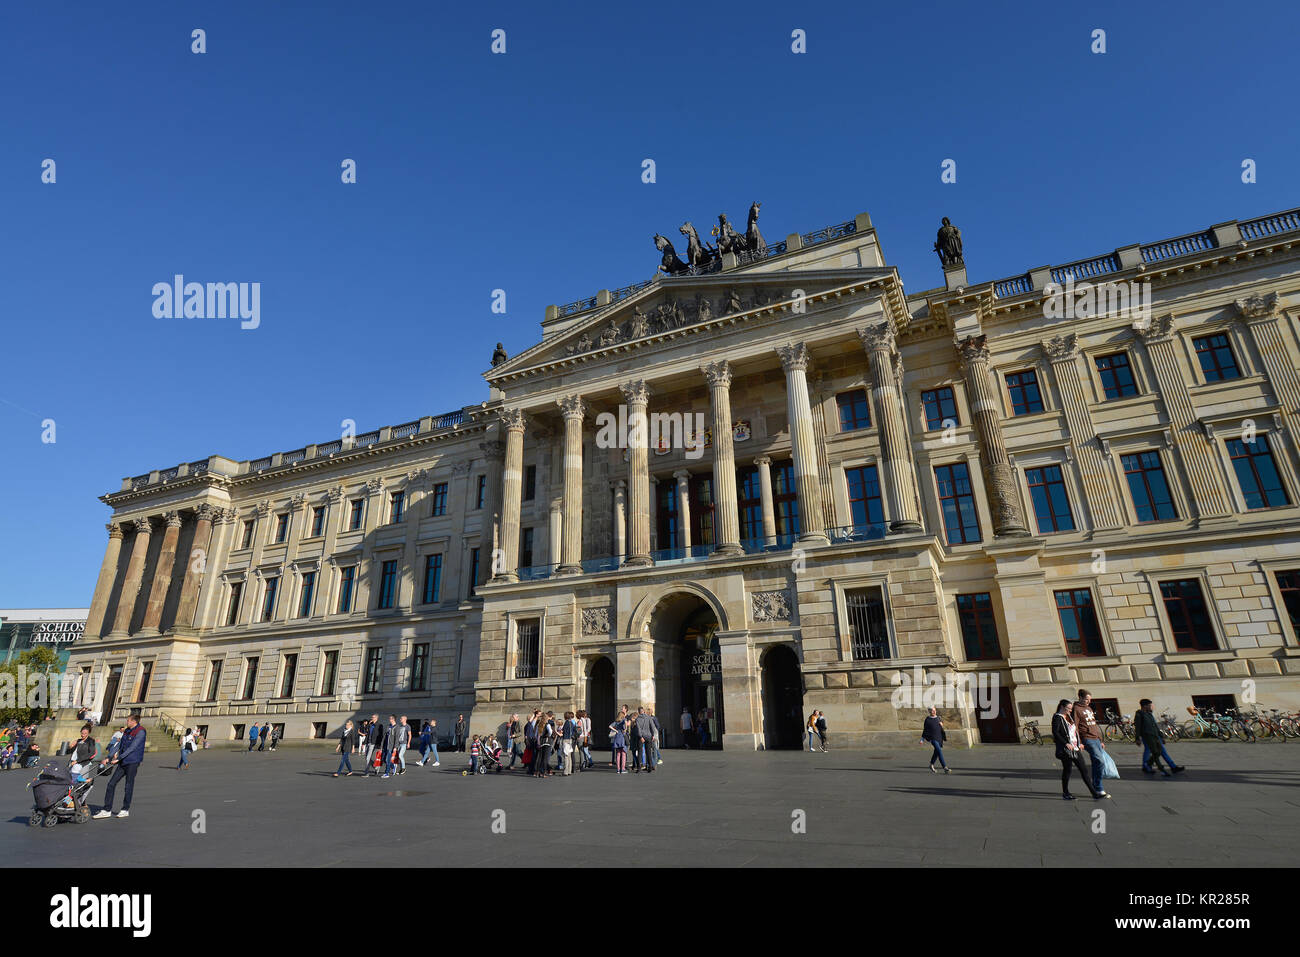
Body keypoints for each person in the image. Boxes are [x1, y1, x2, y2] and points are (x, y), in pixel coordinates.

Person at [94, 712, 146, 819]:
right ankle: (107, 809)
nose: (126, 722)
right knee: (111, 784)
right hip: (123, 761)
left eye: (128, 720)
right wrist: (109, 757)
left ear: (133, 721)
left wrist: (118, 758)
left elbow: (132, 748)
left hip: (132, 762)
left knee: (128, 786)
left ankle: (125, 809)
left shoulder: (140, 731)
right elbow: (119, 745)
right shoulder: (127, 731)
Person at [1053, 699, 1103, 800]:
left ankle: (1094, 793)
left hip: (1075, 748)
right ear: (1062, 707)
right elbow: (1056, 733)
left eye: (1071, 709)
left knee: (1084, 770)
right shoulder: (1057, 718)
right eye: (1069, 709)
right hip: (1066, 749)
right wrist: (1066, 743)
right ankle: (1065, 792)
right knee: (1067, 770)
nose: (1070, 711)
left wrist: (1079, 743)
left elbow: (1074, 732)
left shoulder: (1069, 717)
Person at [1072, 689, 1110, 799]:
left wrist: (1100, 739)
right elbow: (1075, 726)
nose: (1088, 702)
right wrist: (1079, 742)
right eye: (1086, 699)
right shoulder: (1076, 709)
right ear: (1080, 698)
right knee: (1100, 761)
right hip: (1087, 738)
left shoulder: (1089, 708)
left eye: (1090, 700)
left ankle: (1096, 788)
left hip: (1096, 739)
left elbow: (1094, 724)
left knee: (1097, 762)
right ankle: (1098, 787)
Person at [1134, 699, 1183, 776]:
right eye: (1150, 705)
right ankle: (1154, 767)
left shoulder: (1149, 714)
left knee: (1160, 751)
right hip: (1148, 737)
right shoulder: (1139, 715)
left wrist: (1161, 736)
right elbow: (1138, 727)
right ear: (1145, 706)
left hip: (1156, 736)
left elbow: (1155, 726)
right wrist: (1137, 738)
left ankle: (1149, 765)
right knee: (1153, 752)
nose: (1152, 707)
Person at [921, 706, 949, 773]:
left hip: (939, 737)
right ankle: (945, 767)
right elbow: (925, 730)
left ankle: (931, 764)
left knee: (936, 752)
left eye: (934, 710)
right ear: (929, 711)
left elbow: (941, 727)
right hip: (933, 738)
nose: (933, 711)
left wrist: (942, 725)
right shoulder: (927, 719)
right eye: (932, 710)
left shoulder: (939, 718)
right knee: (939, 750)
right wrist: (922, 739)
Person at [535, 712, 555, 779]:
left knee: (540, 758)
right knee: (545, 759)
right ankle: (543, 773)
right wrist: (548, 736)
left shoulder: (539, 725)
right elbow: (550, 732)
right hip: (547, 742)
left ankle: (538, 772)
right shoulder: (547, 724)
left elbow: (537, 735)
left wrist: (538, 742)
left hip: (541, 742)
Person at [635, 708, 656, 773]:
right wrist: (653, 735)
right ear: (643, 711)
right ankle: (650, 767)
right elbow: (652, 727)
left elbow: (638, 729)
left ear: (638, 712)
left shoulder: (637, 719)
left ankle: (639, 768)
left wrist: (641, 737)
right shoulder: (649, 717)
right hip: (649, 736)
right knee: (648, 752)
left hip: (641, 737)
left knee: (640, 752)